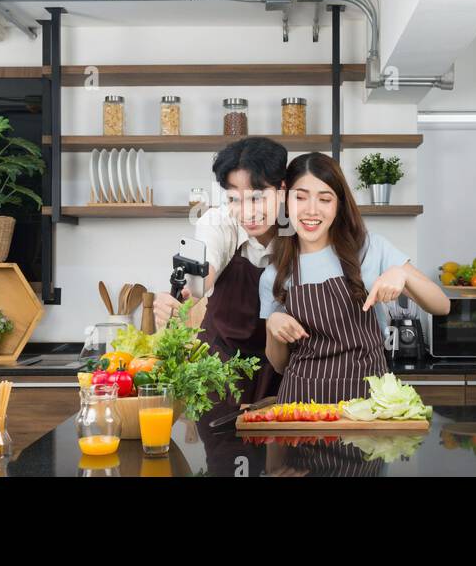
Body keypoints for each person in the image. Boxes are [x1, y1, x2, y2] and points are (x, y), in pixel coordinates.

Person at [260, 153, 449, 404]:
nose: (311, 210)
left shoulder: (371, 248)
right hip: (302, 406)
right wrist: (274, 326)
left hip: (369, 404)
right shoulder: (274, 273)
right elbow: (280, 365)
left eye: (325, 199)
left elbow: (442, 305)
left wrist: (402, 274)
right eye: (300, 197)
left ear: (338, 205)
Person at [152, 137, 287, 426]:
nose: (246, 211)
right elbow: (201, 270)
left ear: (282, 190)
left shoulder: (301, 229)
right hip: (222, 370)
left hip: (285, 370)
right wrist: (183, 296)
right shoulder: (217, 222)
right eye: (233, 198)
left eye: (257, 196)